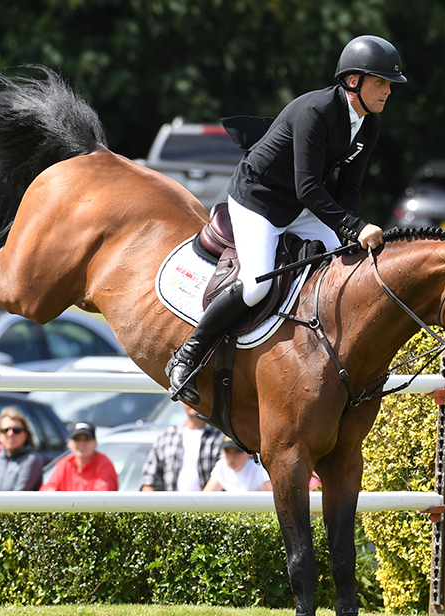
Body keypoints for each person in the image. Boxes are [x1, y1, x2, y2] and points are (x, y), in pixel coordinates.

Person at [166, 35, 405, 404]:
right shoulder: (316, 111)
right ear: (353, 81)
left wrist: (350, 230)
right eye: (381, 82)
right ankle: (188, 356)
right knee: (257, 285)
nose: (388, 91)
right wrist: (356, 227)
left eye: (390, 84)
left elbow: (350, 188)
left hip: (299, 207)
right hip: (258, 201)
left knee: (346, 266)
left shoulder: (369, 123)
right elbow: (309, 186)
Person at [140, 404, 225, 492]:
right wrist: (155, 504)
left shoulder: (221, 437)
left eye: (198, 395)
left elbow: (228, 475)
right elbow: (148, 479)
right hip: (170, 504)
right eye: (189, 394)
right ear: (181, 400)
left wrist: (205, 503)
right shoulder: (167, 436)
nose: (193, 401)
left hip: (210, 504)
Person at [41, 421, 118, 491]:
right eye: (77, 439)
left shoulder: (104, 464)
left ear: (95, 443)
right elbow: (47, 490)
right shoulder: (64, 464)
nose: (82, 444)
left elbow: (101, 498)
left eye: (87, 439)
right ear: (69, 443)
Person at [0, 406, 43, 491]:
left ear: (25, 434)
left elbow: (19, 497)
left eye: (16, 430)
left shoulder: (32, 460)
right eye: (5, 430)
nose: (10, 434)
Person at [204, 436, 272, 492]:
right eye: (228, 452)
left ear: (248, 453)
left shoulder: (258, 469)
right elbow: (205, 500)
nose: (232, 457)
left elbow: (271, 500)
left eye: (237, 452)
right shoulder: (222, 466)